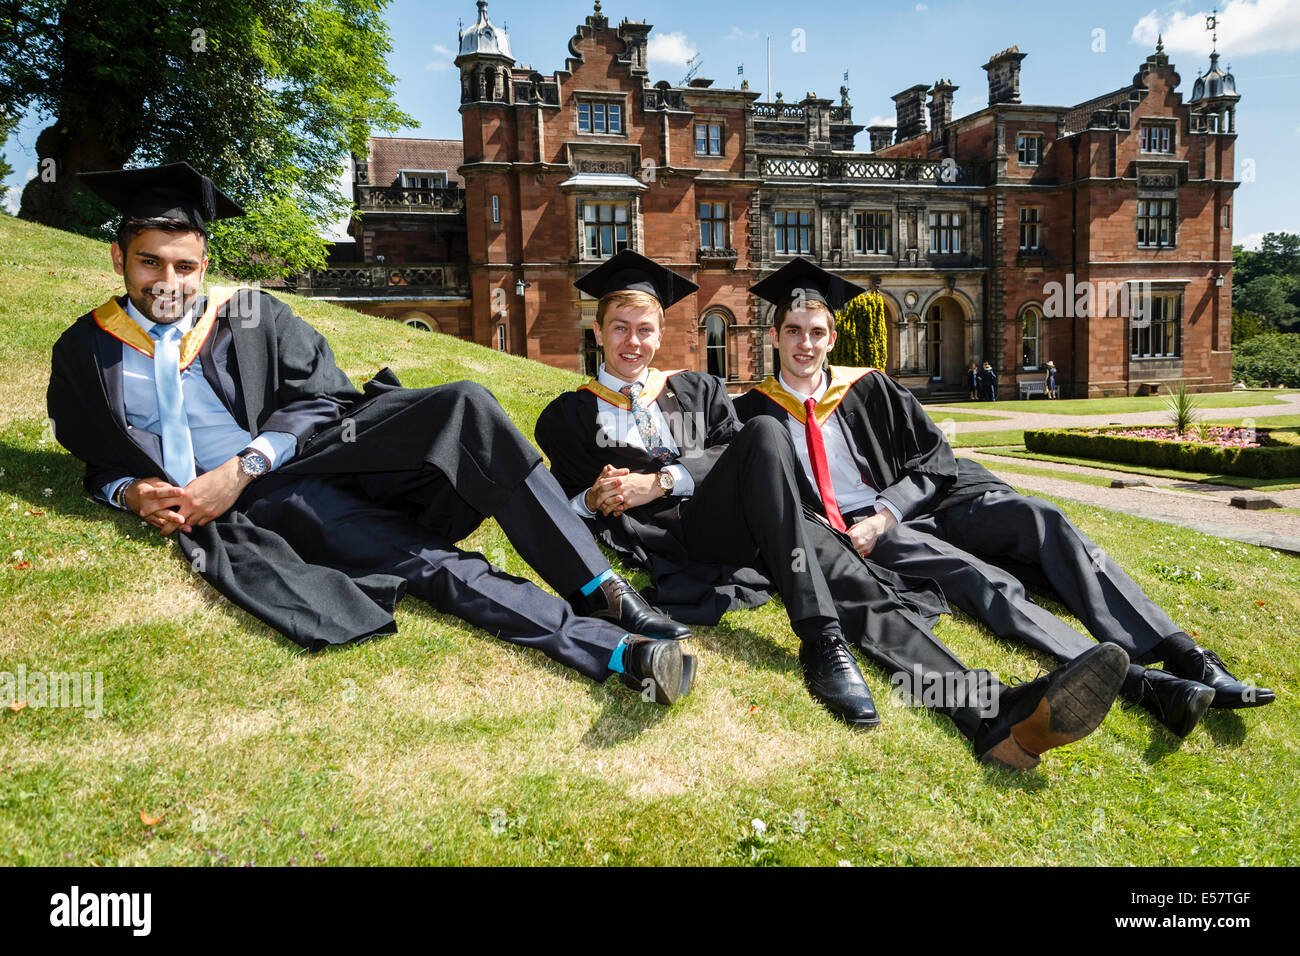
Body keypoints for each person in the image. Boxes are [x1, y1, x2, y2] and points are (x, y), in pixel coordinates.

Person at [46, 163, 695, 705]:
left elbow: (321, 400)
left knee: (465, 403)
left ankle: (603, 592)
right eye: (150, 264)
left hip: (300, 459)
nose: (168, 284)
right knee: (431, 566)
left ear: (204, 261)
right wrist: (129, 493)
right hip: (277, 505)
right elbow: (96, 458)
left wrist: (240, 466)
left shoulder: (247, 313)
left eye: (184, 267)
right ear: (118, 258)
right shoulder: (86, 353)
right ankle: (622, 655)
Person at [537, 252, 1130, 770]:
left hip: (734, 521)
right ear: (597, 330)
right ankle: (823, 641)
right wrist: (592, 498)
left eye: (645, 329)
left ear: (661, 331)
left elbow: (724, 454)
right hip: (673, 547)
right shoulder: (565, 416)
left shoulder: (698, 390)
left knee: (834, 552)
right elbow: (562, 509)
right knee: (804, 513)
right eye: (621, 328)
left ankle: (990, 714)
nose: (634, 343)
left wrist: (660, 479)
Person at [733, 258, 1275, 740]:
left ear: (832, 336)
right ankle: (1144, 686)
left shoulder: (870, 386)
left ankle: (1186, 654)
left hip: (916, 504)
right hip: (860, 533)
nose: (805, 344)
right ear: (775, 336)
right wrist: (872, 527)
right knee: (982, 579)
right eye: (794, 331)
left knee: (1042, 517)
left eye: (817, 332)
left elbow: (935, 458)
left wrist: (891, 509)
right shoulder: (752, 411)